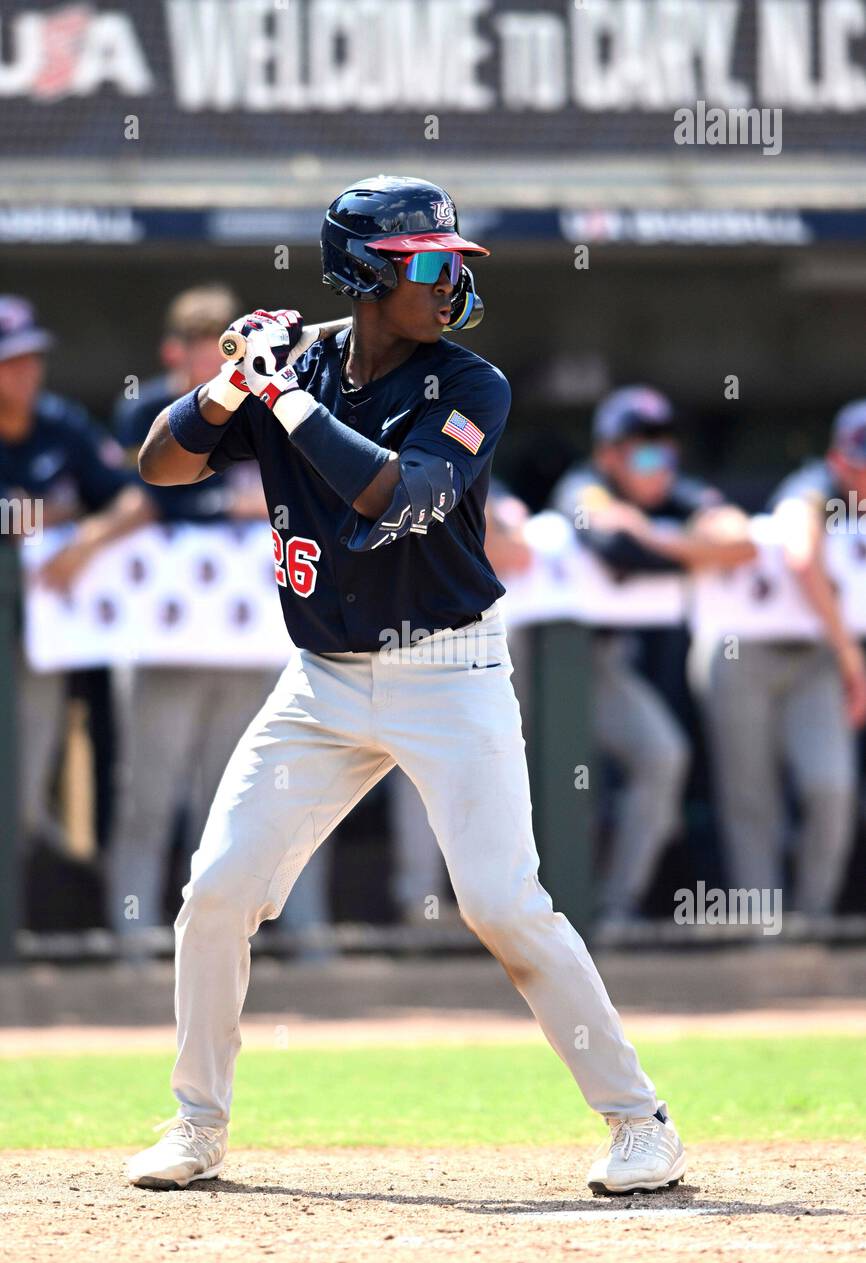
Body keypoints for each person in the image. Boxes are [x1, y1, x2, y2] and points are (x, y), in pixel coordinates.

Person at [126, 175, 685, 1197]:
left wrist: (279, 394)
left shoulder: (470, 383)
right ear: (361, 275)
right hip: (322, 681)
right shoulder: (298, 366)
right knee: (215, 893)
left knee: (502, 905)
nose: (448, 283)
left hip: (448, 669)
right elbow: (157, 463)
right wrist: (225, 387)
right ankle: (197, 1123)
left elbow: (402, 497)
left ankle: (638, 1122)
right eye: (425, 265)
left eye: (452, 263)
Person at [108, 284, 332, 953]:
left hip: (253, 635)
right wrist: (222, 509)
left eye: (225, 350)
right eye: (204, 350)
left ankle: (263, 933)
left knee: (249, 796)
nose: (216, 364)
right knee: (151, 792)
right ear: (177, 353)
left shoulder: (270, 391)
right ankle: (132, 932)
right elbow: (143, 498)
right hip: (167, 634)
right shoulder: (150, 408)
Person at [551, 387, 755, 941]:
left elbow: (740, 543)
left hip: (603, 664)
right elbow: (614, 547)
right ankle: (526, 921)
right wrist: (686, 549)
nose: (660, 466)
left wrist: (655, 534)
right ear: (609, 454)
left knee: (663, 754)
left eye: (666, 452)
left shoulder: (668, 499)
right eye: (644, 453)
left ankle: (616, 911)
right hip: (536, 664)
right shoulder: (582, 487)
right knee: (552, 789)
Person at [0, 295, 155, 848]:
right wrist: (60, 510)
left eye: (30, 358)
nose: (26, 372)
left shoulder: (60, 422)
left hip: (44, 635)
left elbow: (136, 501)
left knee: (29, 770)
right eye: (10, 361)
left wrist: (84, 538)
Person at [701, 401, 866, 917]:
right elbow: (800, 554)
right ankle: (762, 929)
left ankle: (811, 922)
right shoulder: (811, 487)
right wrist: (851, 659)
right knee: (752, 800)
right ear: (839, 459)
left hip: (812, 662)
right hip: (743, 654)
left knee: (831, 790)